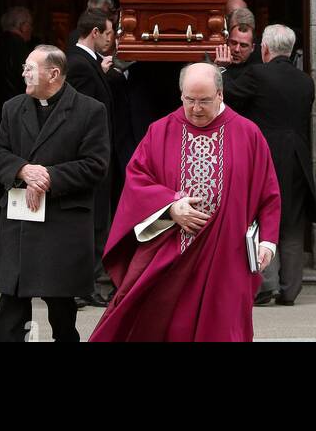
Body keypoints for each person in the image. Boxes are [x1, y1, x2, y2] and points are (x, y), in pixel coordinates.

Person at [90, 63, 281, 342]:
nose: (196, 108)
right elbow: (136, 182)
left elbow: (269, 193)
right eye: (189, 100)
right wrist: (170, 207)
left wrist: (267, 243)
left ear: (220, 94)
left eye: (204, 100)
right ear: (181, 95)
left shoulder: (248, 134)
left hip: (227, 257)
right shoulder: (160, 131)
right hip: (169, 255)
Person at [0, 45, 109, 342]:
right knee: (11, 304)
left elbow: (96, 165)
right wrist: (22, 170)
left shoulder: (90, 110)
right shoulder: (13, 107)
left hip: (61, 221)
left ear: (53, 73)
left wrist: (48, 176)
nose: (24, 73)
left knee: (61, 306)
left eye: (30, 68)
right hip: (20, 219)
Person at [225, 24, 316, 307]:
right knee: (291, 223)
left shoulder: (258, 74)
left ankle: (266, 284)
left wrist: (220, 69)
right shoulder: (306, 81)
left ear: (264, 49)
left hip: (265, 156)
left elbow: (227, 96)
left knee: (260, 215)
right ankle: (290, 290)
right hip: (297, 159)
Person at [66, 8, 116, 307]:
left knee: (97, 220)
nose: (110, 40)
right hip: (89, 155)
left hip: (95, 155)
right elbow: (83, 111)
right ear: (94, 33)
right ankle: (83, 286)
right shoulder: (80, 64)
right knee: (90, 222)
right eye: (108, 33)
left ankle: (87, 284)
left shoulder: (89, 63)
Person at [0, 6, 34, 111]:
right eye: (29, 25)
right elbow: (24, 76)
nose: (31, 29)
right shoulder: (18, 45)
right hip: (15, 100)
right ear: (22, 26)